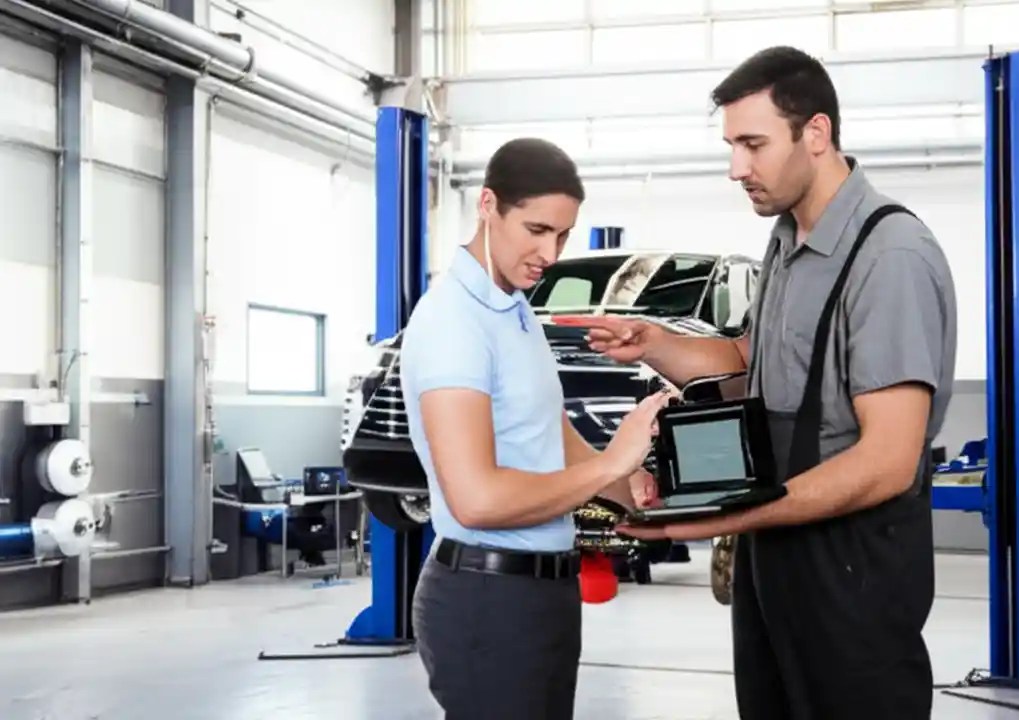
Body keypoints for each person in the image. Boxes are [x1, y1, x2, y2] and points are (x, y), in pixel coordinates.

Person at [586, 46, 958, 720]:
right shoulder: (787, 243)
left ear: (815, 133)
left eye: (753, 145)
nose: (737, 168)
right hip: (776, 555)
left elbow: (888, 461)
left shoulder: (890, 255)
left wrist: (730, 516)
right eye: (732, 146)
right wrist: (656, 344)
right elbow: (751, 364)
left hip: (853, 573)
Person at [399, 137, 670, 720]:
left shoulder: (514, 307)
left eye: (563, 235)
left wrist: (633, 488)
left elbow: (553, 436)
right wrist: (611, 461)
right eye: (536, 230)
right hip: (488, 600)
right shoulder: (453, 321)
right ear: (488, 206)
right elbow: (476, 500)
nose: (550, 253)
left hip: (542, 593)